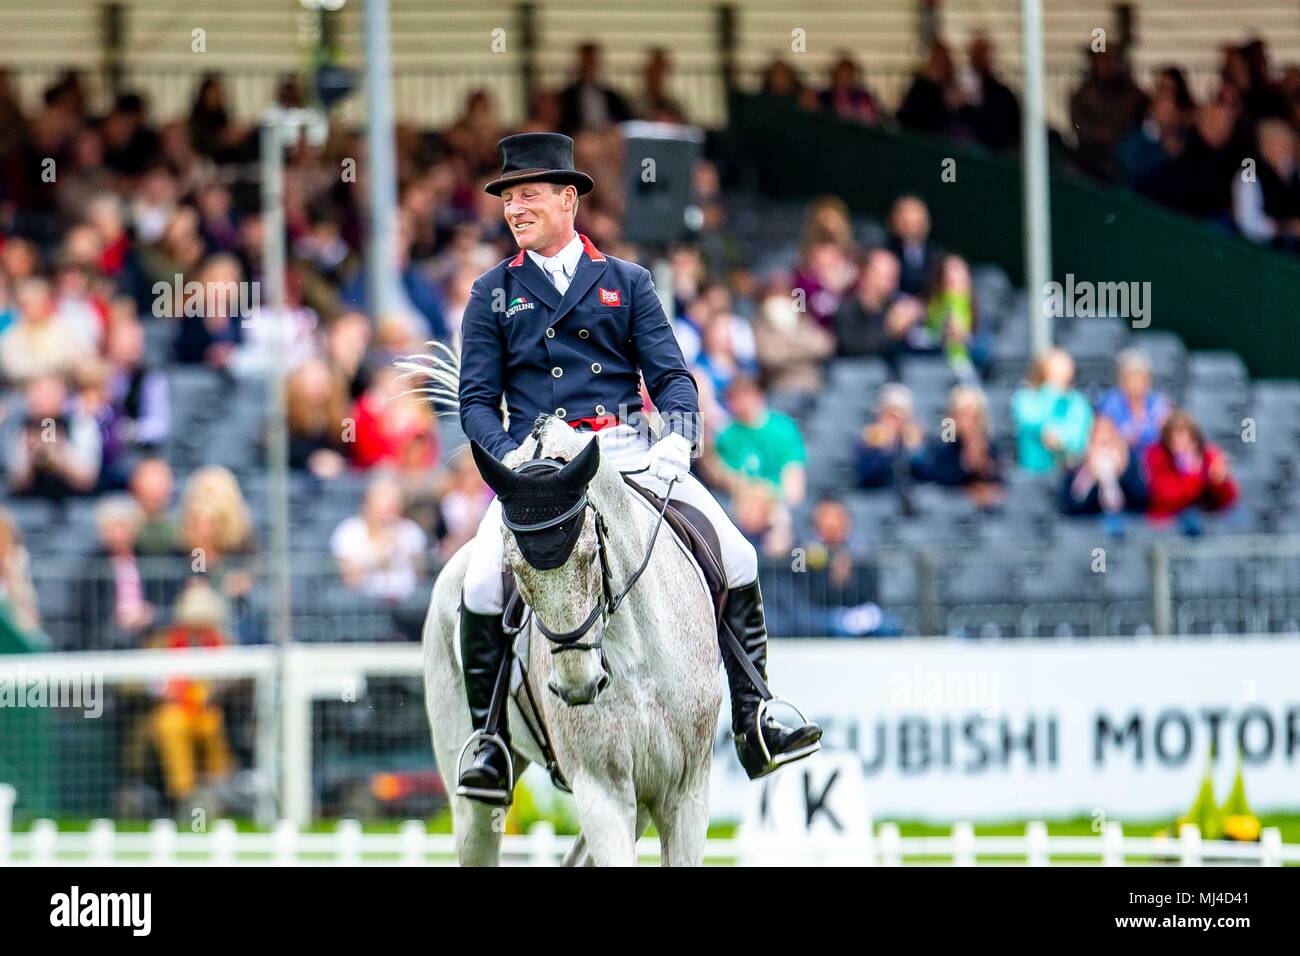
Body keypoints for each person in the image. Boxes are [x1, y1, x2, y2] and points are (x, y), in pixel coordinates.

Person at [453, 132, 821, 803]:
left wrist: (676, 441)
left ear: (569, 199)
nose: (515, 208)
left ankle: (755, 715)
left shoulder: (627, 282)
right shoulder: (492, 293)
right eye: (507, 197)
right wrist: (508, 461)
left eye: (528, 193)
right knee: (479, 582)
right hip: (536, 466)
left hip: (625, 451)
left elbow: (674, 380)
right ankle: (489, 743)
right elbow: (475, 401)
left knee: (736, 554)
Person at [714, 373, 808, 507]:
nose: (742, 403)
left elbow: (793, 479)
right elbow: (729, 479)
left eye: (745, 395)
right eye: (735, 398)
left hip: (777, 504)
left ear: (758, 395)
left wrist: (770, 496)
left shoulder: (783, 428)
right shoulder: (726, 436)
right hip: (742, 505)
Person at [329, 475, 429, 602]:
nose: (388, 512)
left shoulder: (411, 530)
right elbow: (350, 580)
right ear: (367, 504)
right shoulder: (349, 530)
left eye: (393, 505)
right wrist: (381, 549)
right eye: (381, 504)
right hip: (363, 606)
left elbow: (421, 575)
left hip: (407, 605)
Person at [7, 374, 101, 500]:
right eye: (39, 395)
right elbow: (16, 483)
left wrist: (61, 452)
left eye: (50, 395)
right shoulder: (19, 426)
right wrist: (31, 454)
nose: (44, 400)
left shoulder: (80, 423)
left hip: (73, 501)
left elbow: (87, 480)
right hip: (31, 502)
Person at [912, 385, 1004, 507]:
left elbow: (997, 481)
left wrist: (982, 464)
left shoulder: (989, 446)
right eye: (961, 415)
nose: (966, 421)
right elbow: (941, 478)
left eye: (971, 416)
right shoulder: (944, 446)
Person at [1144, 410, 1240, 523]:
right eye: (1174, 438)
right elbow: (1164, 497)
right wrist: (1194, 473)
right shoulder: (1157, 455)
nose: (1180, 442)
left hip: (1204, 513)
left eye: (1185, 436)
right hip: (1169, 518)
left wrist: (1220, 481)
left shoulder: (1208, 454)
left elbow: (1228, 499)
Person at [1012, 348, 1094, 473]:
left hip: (1069, 472)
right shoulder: (1025, 397)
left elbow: (1079, 439)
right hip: (1032, 470)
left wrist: (1059, 438)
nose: (1065, 367)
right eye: (1059, 364)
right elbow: (1030, 423)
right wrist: (1053, 390)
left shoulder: (1079, 402)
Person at [1095, 348, 1171, 453]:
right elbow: (1104, 435)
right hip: (1121, 458)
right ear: (1122, 380)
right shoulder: (1111, 402)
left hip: (1152, 458)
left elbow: (1167, 434)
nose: (1137, 383)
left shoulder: (1157, 402)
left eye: (1141, 377)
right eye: (1131, 377)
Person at [855, 383, 924, 490]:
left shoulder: (915, 439)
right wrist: (885, 448)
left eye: (898, 416)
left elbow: (925, 474)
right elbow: (866, 476)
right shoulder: (868, 441)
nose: (893, 421)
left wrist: (914, 450)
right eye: (889, 415)